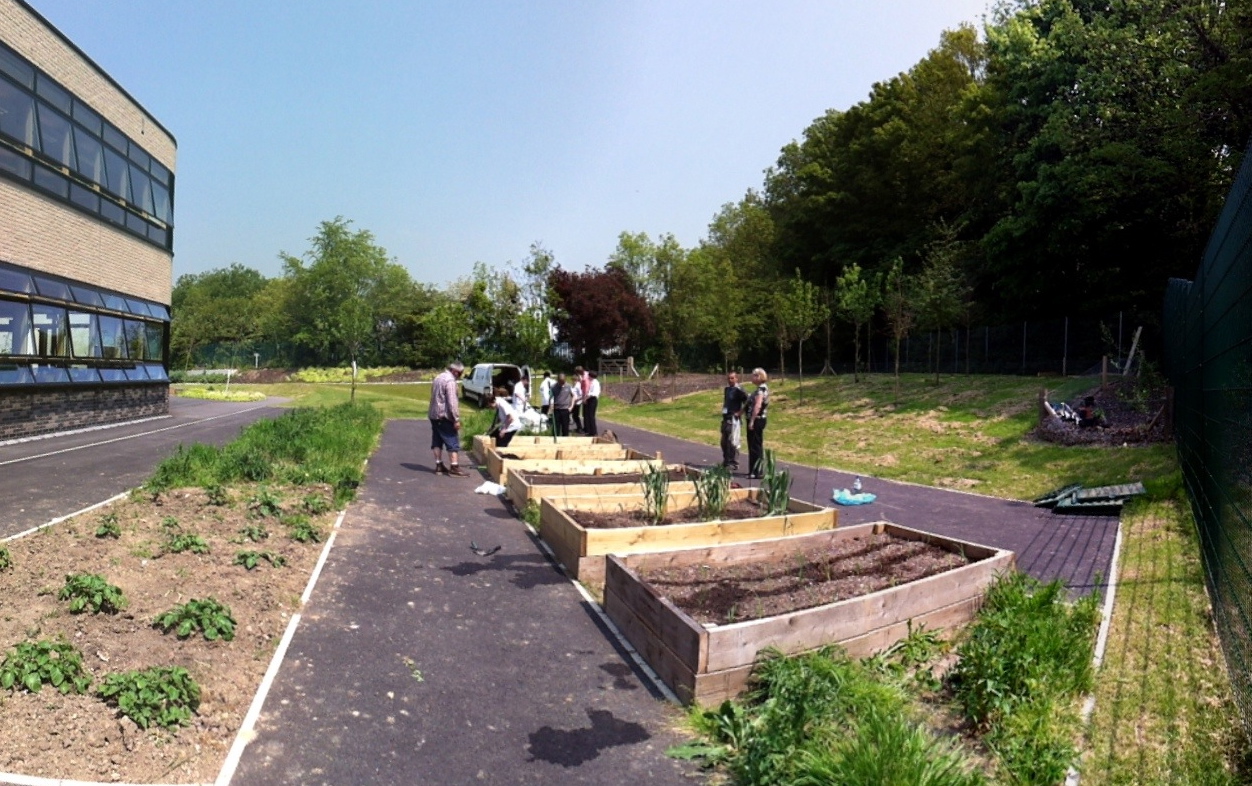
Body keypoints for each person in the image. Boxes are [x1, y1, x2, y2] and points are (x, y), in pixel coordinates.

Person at [428, 361, 468, 476]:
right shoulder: (450, 381)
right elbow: (452, 402)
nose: (460, 376)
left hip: (433, 414)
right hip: (443, 416)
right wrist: (456, 419)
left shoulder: (438, 377)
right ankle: (454, 467)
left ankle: (439, 465)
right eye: (460, 373)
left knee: (437, 440)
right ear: (455, 371)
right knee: (452, 440)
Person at [719, 370, 748, 471]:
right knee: (723, 442)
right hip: (725, 418)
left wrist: (740, 412)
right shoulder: (727, 389)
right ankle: (726, 460)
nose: (730, 380)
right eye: (728, 378)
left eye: (732, 378)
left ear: (736, 378)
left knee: (732, 442)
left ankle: (733, 462)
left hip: (733, 419)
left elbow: (748, 401)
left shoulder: (739, 390)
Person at [745, 368, 770, 479]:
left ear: (759, 376)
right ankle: (753, 470)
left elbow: (757, 406)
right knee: (753, 445)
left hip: (757, 420)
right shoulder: (759, 389)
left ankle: (756, 471)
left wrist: (752, 421)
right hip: (756, 419)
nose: (752, 377)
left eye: (754, 375)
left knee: (755, 445)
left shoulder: (761, 390)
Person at [584, 371, 601, 437]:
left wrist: (586, 398)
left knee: (591, 416)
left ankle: (594, 432)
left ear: (591, 376)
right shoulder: (592, 382)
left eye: (589, 376)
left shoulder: (595, 383)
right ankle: (590, 431)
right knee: (588, 415)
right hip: (590, 399)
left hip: (593, 399)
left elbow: (593, 393)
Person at [571, 365, 586, 433]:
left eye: (573, 380)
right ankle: (578, 427)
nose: (573, 381)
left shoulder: (578, 385)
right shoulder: (573, 385)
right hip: (573, 402)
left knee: (576, 416)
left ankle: (579, 428)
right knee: (574, 416)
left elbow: (581, 394)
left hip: (577, 402)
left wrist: (577, 399)